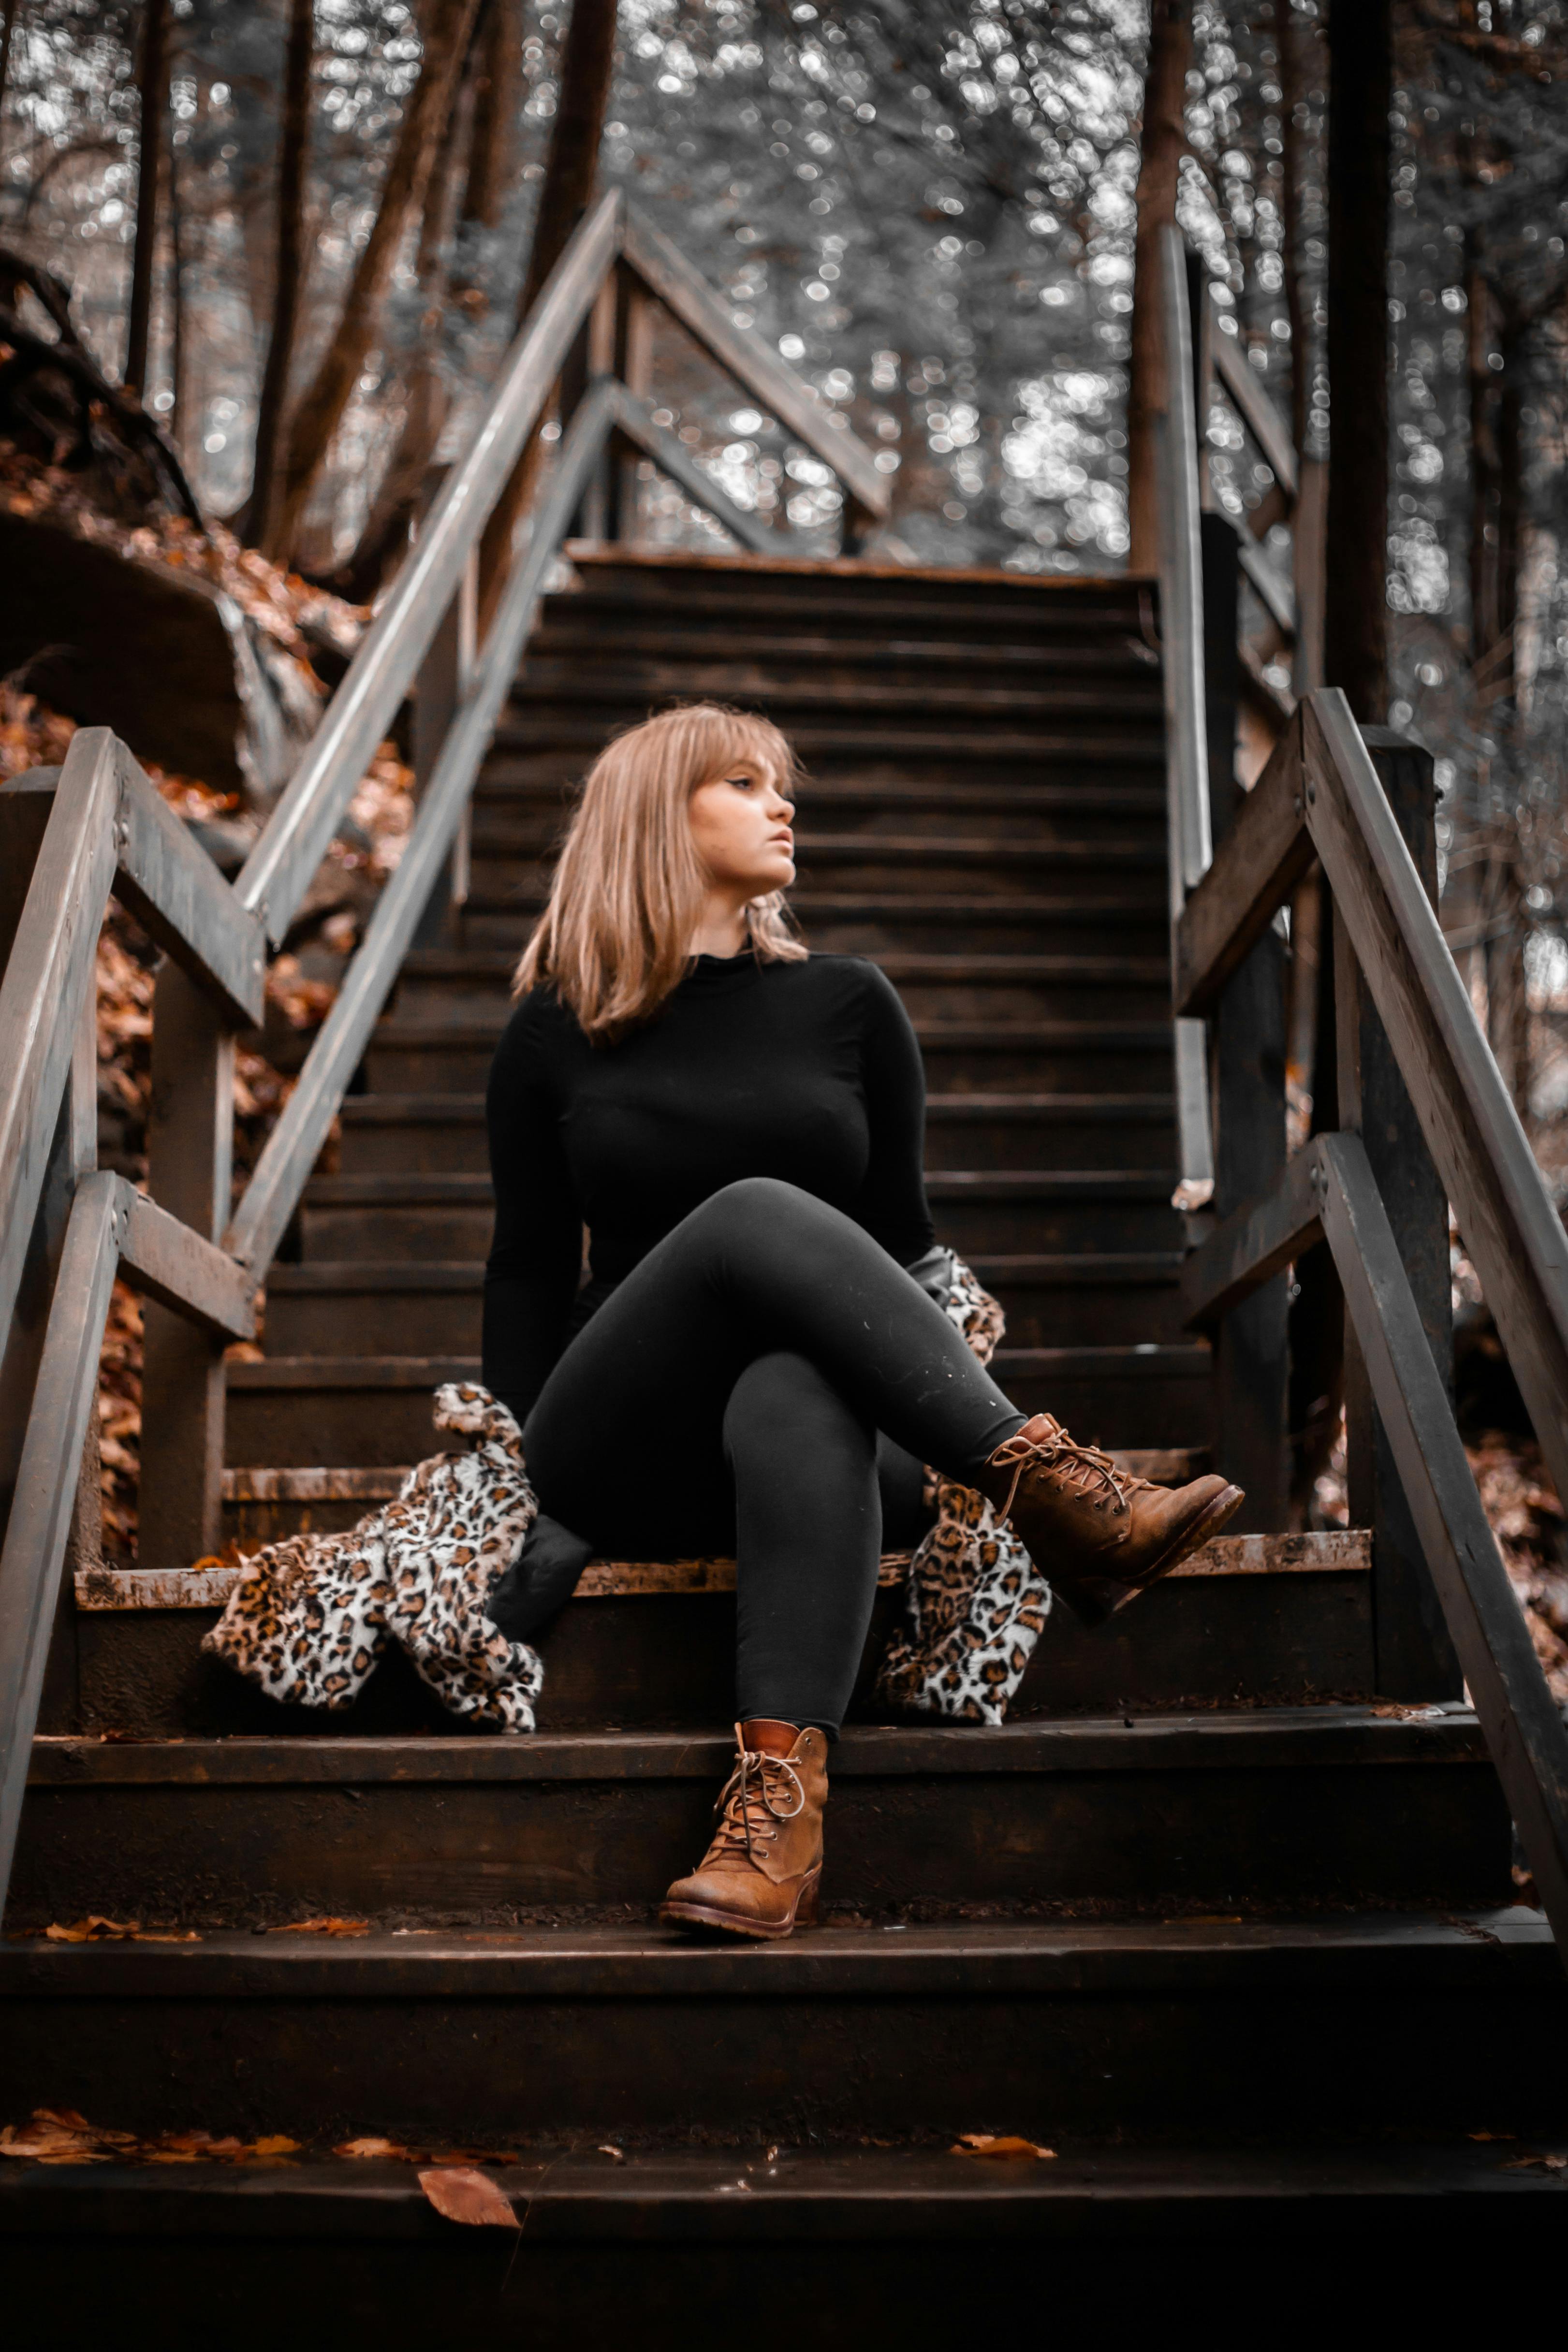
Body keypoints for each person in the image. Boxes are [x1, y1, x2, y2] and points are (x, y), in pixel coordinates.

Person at [482, 702, 1242, 1940]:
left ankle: (774, 1817)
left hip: (820, 1457)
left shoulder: (848, 1006)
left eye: (782, 786)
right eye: (742, 782)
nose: (782, 805)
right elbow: (521, 1271)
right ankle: (1047, 1487)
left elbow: (899, 1249)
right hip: (621, 1436)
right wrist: (515, 1480)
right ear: (652, 814)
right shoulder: (552, 1029)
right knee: (749, 1214)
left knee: (798, 1383)